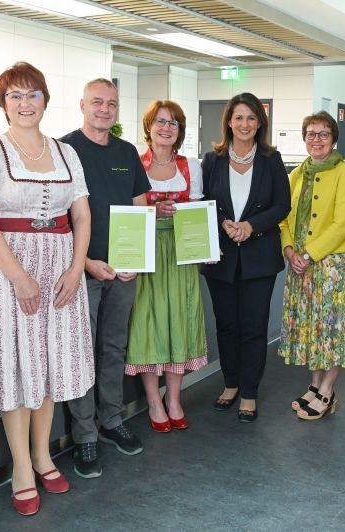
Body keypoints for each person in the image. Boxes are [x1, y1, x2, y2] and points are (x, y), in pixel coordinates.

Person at [0, 62, 94, 515]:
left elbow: (81, 214)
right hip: (8, 272)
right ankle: (21, 466)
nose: (24, 103)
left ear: (45, 100)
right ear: (3, 104)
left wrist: (76, 269)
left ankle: (43, 455)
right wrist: (19, 276)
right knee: (17, 368)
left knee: (50, 363)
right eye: (15, 95)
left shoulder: (65, 152)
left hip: (59, 269)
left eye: (32, 94)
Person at [61, 78, 150, 478]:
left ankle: (112, 420)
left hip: (123, 271)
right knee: (81, 352)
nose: (104, 108)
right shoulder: (64, 151)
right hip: (81, 271)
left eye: (111, 103)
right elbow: (59, 218)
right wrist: (86, 263)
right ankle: (85, 436)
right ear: (82, 105)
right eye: (97, 101)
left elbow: (140, 207)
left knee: (114, 348)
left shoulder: (126, 152)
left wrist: (137, 258)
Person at [201, 92, 290, 423]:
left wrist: (251, 225)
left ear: (260, 123)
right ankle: (231, 384)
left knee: (253, 327)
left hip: (259, 256)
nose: (245, 124)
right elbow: (203, 202)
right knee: (226, 325)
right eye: (239, 117)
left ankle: (249, 392)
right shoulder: (212, 160)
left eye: (251, 118)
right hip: (221, 256)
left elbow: (282, 205)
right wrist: (222, 224)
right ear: (228, 122)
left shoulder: (271, 159)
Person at [125, 100, 207, 432]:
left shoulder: (191, 166)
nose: (166, 128)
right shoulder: (134, 164)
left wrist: (204, 245)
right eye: (160, 121)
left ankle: (174, 398)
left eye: (173, 123)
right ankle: (153, 400)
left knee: (179, 322)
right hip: (147, 250)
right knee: (148, 323)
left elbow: (197, 214)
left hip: (181, 251)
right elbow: (126, 213)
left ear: (180, 130)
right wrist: (152, 212)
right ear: (149, 126)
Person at [278, 111, 345, 421]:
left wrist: (308, 254)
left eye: (324, 133)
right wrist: (289, 250)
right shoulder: (296, 175)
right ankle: (314, 385)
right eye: (311, 133)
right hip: (299, 264)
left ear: (333, 138)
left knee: (332, 329)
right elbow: (284, 218)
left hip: (328, 265)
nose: (317, 139)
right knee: (312, 329)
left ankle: (328, 389)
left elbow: (342, 224)